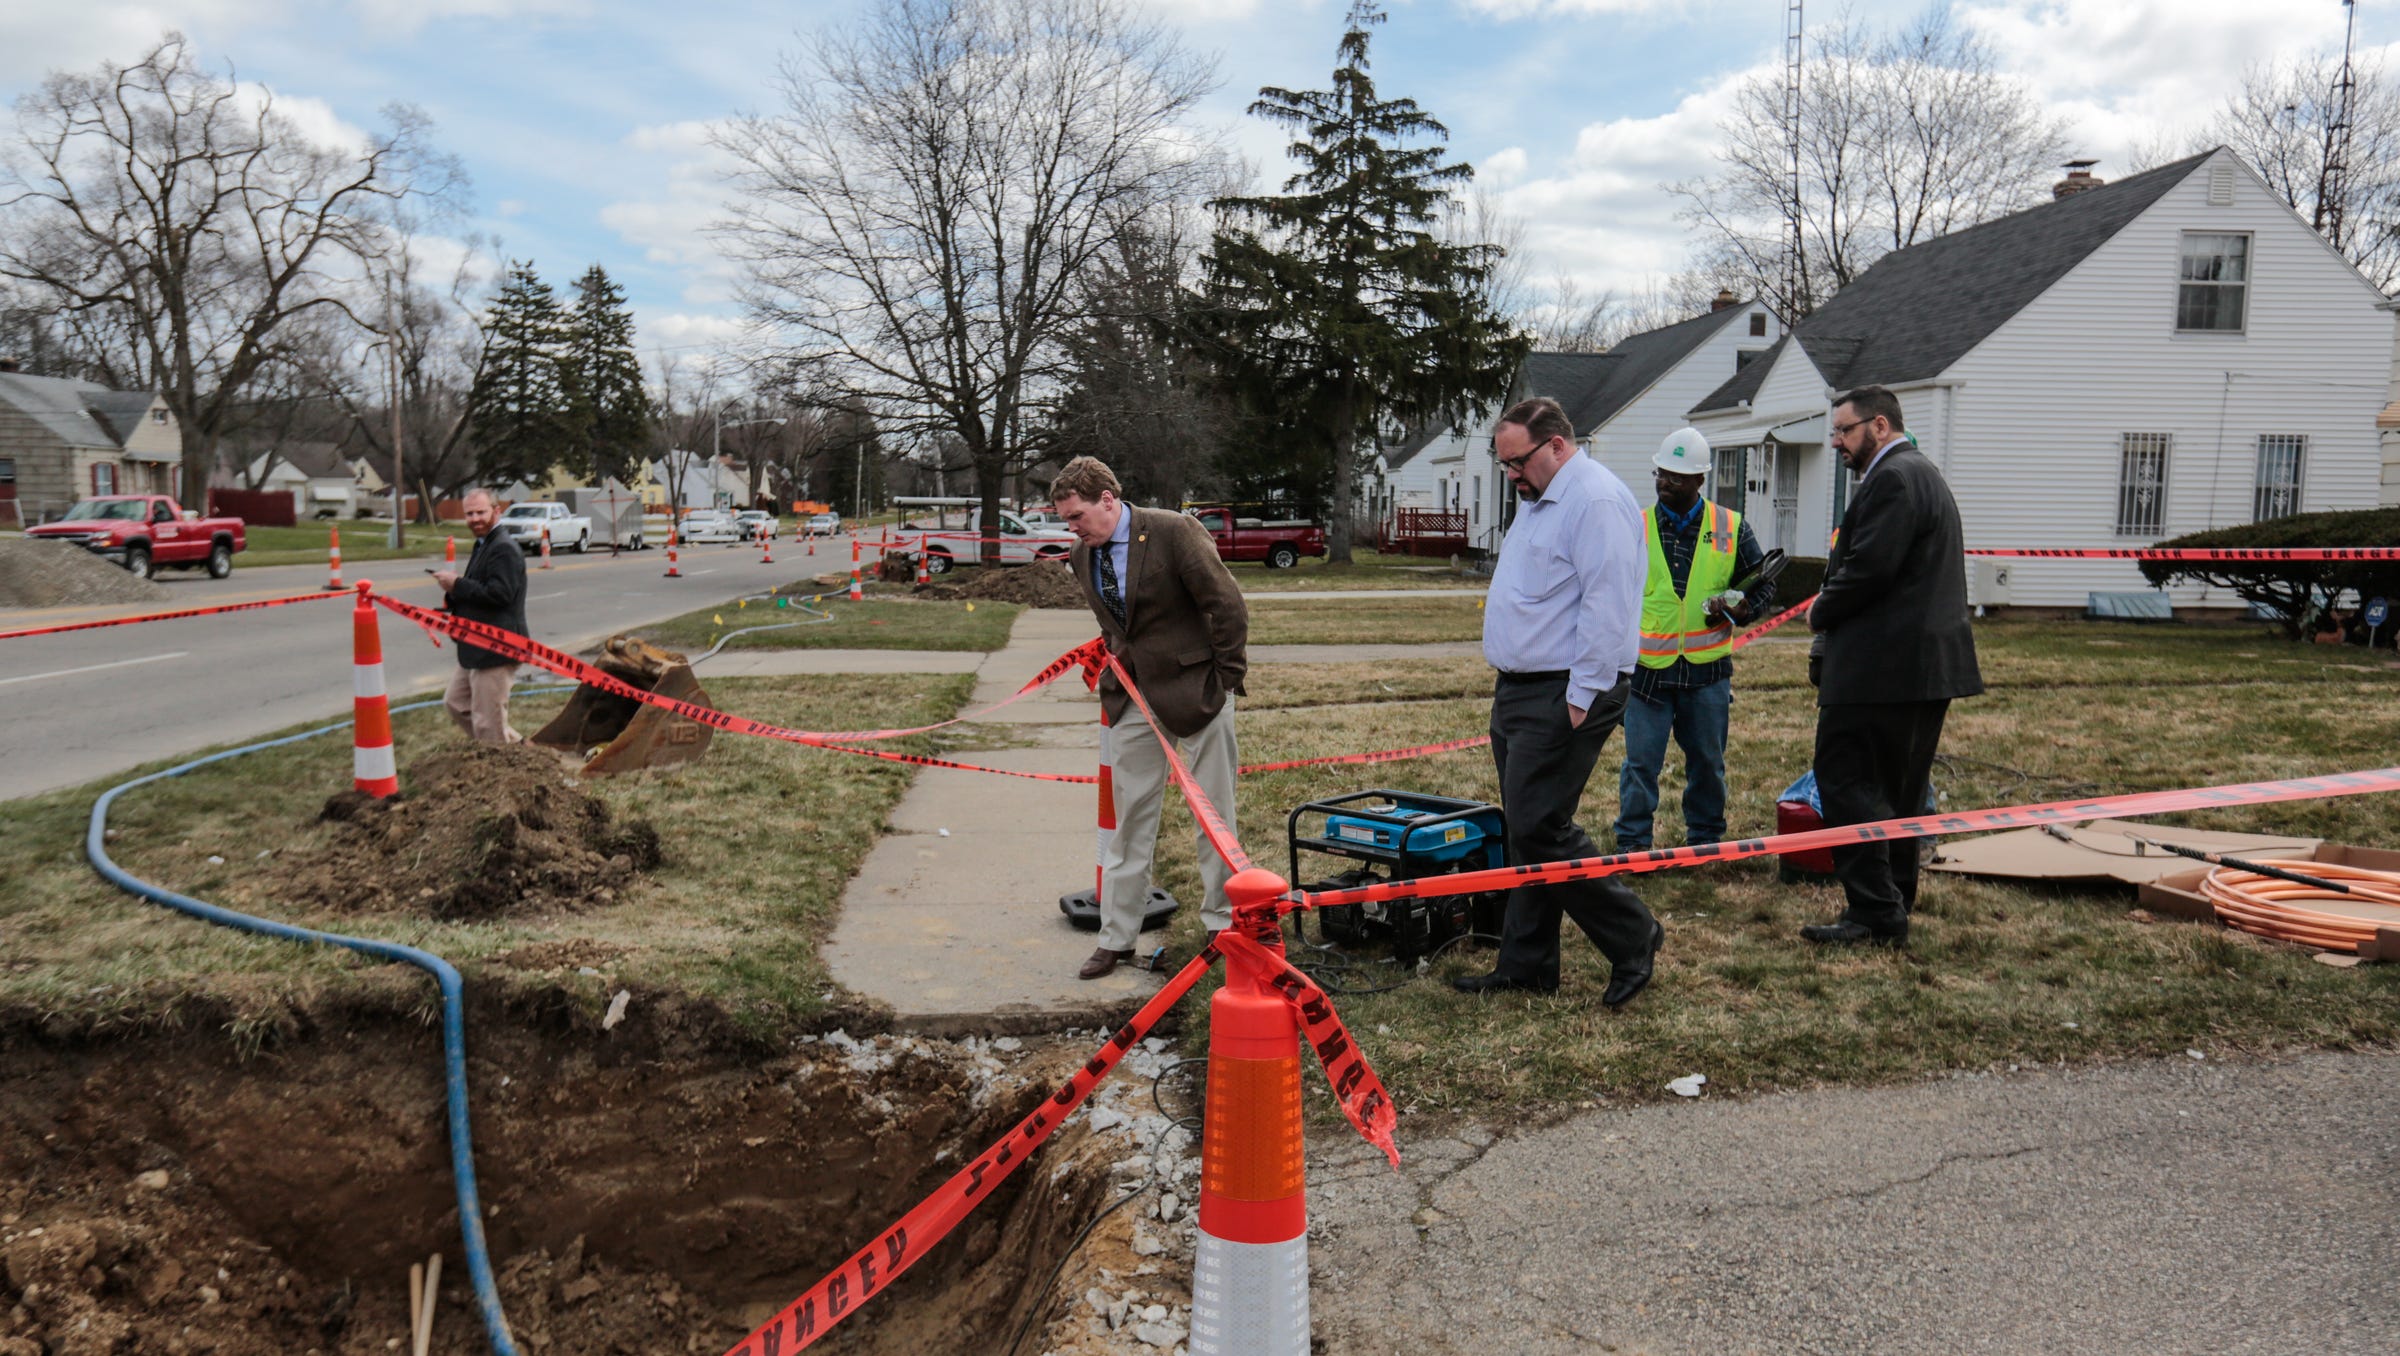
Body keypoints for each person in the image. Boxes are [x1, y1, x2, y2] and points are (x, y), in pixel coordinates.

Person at [1457, 397, 1663, 1005]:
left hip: (1568, 688)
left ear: (1556, 445)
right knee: (1526, 831)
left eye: (1517, 463)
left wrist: (1583, 694)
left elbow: (1611, 602)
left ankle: (1635, 936)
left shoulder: (1594, 500)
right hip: (1523, 690)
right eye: (1504, 466)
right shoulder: (1538, 499)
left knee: (1541, 827)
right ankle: (1527, 964)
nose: (1511, 476)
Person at [1051, 457, 1249, 981]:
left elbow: (1226, 604)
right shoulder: (1081, 554)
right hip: (1132, 699)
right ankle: (1115, 937)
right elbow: (1117, 625)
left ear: (1108, 500)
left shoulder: (1174, 531)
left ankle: (1223, 924)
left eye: (1077, 516)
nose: (1072, 528)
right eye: (1067, 519)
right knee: (1130, 821)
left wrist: (1225, 679)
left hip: (1198, 693)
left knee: (1213, 815)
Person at [1803, 386, 1983, 946]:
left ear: (1879, 426)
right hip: (1921, 668)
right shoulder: (1920, 473)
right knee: (1903, 792)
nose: (1836, 442)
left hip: (1882, 670)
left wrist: (1819, 611)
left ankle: (1875, 910)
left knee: (1845, 780)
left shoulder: (1893, 479)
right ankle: (1896, 900)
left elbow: (1868, 570)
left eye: (1844, 430)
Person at [1613, 426, 1777, 853]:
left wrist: (1745, 609)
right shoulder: (1637, 526)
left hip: (1707, 676)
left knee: (1707, 764)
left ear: (1699, 481)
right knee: (1640, 766)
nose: (1664, 483)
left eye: (1676, 477)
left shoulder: (1732, 527)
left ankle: (1704, 840)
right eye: (1661, 474)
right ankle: (1633, 844)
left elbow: (1761, 585)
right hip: (1648, 675)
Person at [434, 488, 529, 746]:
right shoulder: (484, 544)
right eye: (469, 513)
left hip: (498, 647)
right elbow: (476, 588)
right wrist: (453, 592)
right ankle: (523, 750)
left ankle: (504, 769)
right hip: (476, 645)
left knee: (488, 722)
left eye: (481, 512)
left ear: (496, 511)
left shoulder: (503, 548)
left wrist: (457, 584)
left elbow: (501, 594)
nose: (475, 518)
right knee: (456, 702)